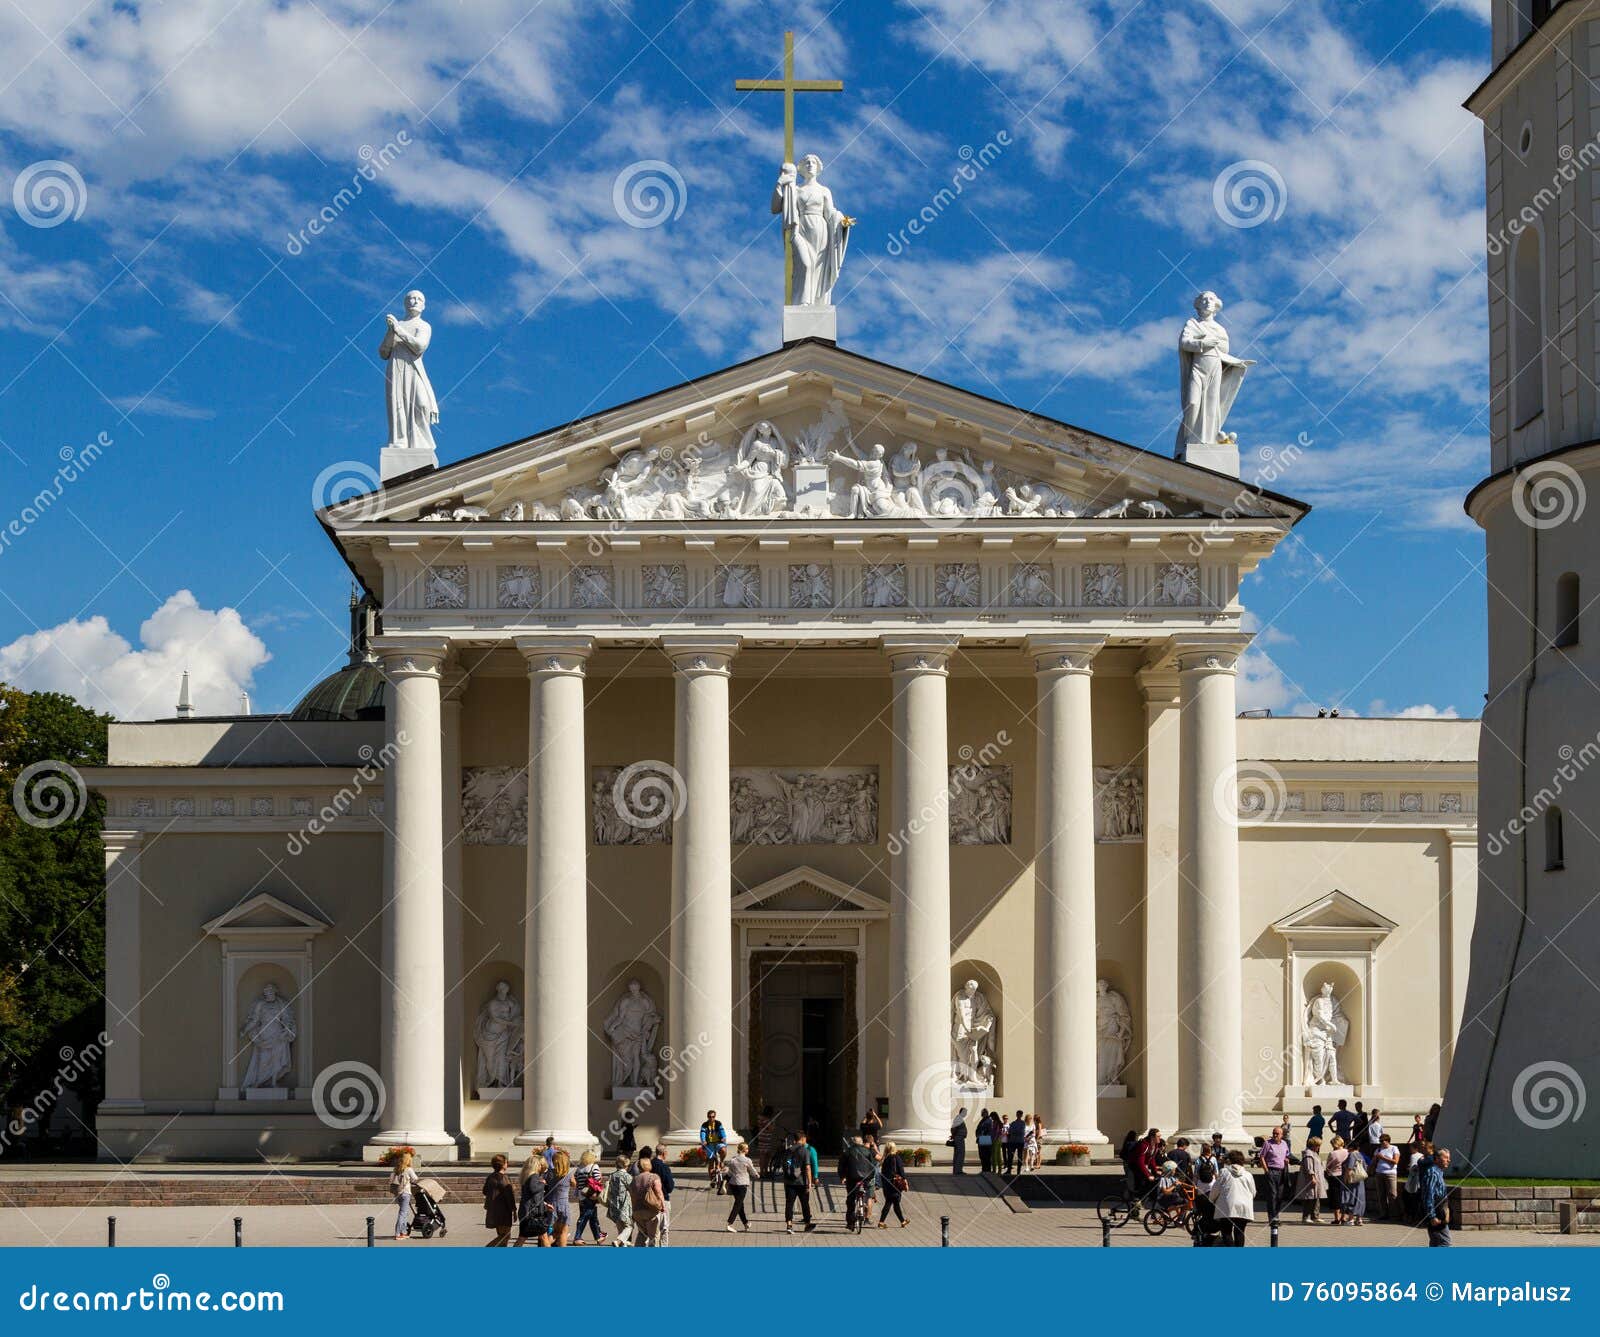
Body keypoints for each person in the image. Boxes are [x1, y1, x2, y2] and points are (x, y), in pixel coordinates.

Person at [1207, 1150, 1256, 1246]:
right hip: (1243, 1207)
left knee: (1226, 1231)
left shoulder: (1224, 1172)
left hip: (1227, 1207)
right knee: (1240, 1231)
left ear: (1230, 1160)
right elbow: (1253, 1192)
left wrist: (1211, 1199)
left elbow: (1216, 1189)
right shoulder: (1248, 1175)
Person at [782, 1131, 819, 1233]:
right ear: (802, 1139)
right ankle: (807, 1224)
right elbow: (807, 1167)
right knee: (804, 1203)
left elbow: (785, 1164)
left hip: (789, 1181)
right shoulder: (805, 1150)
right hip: (802, 1182)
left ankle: (789, 1225)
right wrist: (810, 1182)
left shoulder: (788, 1150)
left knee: (789, 1203)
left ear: (794, 1139)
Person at [840, 1135, 879, 1228]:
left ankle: (850, 1222)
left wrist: (842, 1176)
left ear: (852, 1143)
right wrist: (871, 1177)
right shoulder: (868, 1151)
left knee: (850, 1200)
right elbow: (873, 1164)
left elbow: (842, 1165)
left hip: (852, 1179)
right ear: (861, 1142)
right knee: (866, 1194)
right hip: (866, 1178)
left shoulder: (847, 1152)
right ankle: (865, 1209)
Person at [629, 1154, 666, 1247]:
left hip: (637, 1211)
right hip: (650, 1210)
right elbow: (659, 1192)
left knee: (642, 1234)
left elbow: (631, 1195)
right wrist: (663, 1205)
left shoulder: (634, 1179)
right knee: (654, 1236)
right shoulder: (654, 1177)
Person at [572, 1149, 608, 1244]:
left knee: (593, 1216)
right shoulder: (594, 1166)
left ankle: (598, 1236)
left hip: (581, 1195)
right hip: (591, 1195)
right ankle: (577, 1237)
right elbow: (597, 1180)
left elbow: (576, 1180)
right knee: (584, 1216)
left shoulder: (579, 1168)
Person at [1258, 1125, 1291, 1223]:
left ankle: (1276, 1215)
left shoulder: (1284, 1143)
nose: (1275, 1135)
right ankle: (1272, 1217)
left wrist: (1286, 1160)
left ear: (1282, 1135)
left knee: (1280, 1196)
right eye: (1274, 1133)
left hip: (1282, 1172)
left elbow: (1286, 1155)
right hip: (1271, 1171)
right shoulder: (1268, 1143)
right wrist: (1266, 1170)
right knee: (1272, 1195)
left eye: (1277, 1134)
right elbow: (1262, 1157)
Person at [1420, 1147, 1453, 1246]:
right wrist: (1432, 1216)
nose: (1449, 1160)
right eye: (1446, 1157)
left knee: (1435, 1243)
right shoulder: (1432, 1173)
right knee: (1445, 1243)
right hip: (1436, 1214)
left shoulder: (1439, 1172)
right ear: (1437, 1159)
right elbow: (1428, 1195)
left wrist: (1447, 1211)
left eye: (1449, 1158)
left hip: (1440, 1212)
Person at [482, 1153, 517, 1247]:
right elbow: (509, 1197)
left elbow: (485, 1191)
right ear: (503, 1165)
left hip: (493, 1209)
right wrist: (514, 1210)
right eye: (506, 1162)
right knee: (505, 1236)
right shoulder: (504, 1178)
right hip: (504, 1211)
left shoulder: (490, 1177)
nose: (507, 1164)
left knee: (501, 1236)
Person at [516, 1151, 547, 1246]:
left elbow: (532, 1195)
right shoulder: (534, 1176)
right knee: (543, 1237)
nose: (543, 1167)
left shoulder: (527, 1176)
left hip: (526, 1211)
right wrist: (543, 1183)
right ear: (537, 1165)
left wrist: (544, 1204)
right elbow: (533, 1189)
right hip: (532, 1213)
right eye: (541, 1165)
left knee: (522, 1237)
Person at [724, 1140, 756, 1232]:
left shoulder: (733, 1160)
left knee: (740, 1204)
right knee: (738, 1204)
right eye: (747, 1148)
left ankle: (746, 1223)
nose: (748, 1150)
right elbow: (752, 1170)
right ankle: (730, 1223)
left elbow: (729, 1173)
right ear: (743, 1150)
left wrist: (725, 1180)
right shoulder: (747, 1160)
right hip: (742, 1185)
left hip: (733, 1184)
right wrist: (757, 1175)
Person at [544, 1147, 573, 1246]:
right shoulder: (569, 1173)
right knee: (563, 1232)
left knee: (554, 1232)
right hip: (564, 1204)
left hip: (551, 1203)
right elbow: (574, 1184)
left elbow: (544, 1182)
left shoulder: (549, 1173)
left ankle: (546, 1245)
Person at [603, 1154, 634, 1246]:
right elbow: (632, 1189)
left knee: (620, 1226)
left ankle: (621, 1244)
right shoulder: (626, 1176)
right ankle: (619, 1240)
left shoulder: (612, 1175)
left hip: (614, 1203)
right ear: (626, 1165)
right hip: (624, 1203)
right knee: (629, 1226)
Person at [878, 1141, 910, 1227]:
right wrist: (905, 1180)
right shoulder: (896, 1157)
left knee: (893, 1203)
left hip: (887, 1184)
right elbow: (901, 1170)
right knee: (890, 1203)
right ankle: (881, 1222)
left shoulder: (885, 1158)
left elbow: (883, 1172)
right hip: (895, 1184)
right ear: (894, 1148)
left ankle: (902, 1221)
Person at [388, 1150, 418, 1241]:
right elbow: (415, 1179)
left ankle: (403, 1232)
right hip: (405, 1193)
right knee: (402, 1213)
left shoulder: (396, 1169)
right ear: (408, 1160)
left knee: (404, 1213)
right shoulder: (409, 1169)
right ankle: (398, 1234)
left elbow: (390, 1179)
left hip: (397, 1193)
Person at [1372, 1133, 1401, 1221]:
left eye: (1383, 1141)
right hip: (1379, 1173)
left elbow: (1395, 1161)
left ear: (1387, 1141)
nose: (1381, 1143)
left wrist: (1383, 1157)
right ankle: (1384, 1214)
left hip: (1390, 1173)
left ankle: (1395, 1214)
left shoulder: (1394, 1148)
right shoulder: (1378, 1149)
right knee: (1381, 1195)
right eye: (1380, 1141)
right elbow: (1373, 1162)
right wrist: (1375, 1159)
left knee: (1392, 1194)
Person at [1295, 1137, 1323, 1223]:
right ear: (1314, 1145)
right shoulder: (1308, 1154)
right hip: (1310, 1179)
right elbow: (1309, 1167)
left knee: (1316, 1197)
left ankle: (1315, 1216)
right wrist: (1312, 1177)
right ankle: (1306, 1217)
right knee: (1309, 1198)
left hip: (1317, 1179)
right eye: (1318, 1145)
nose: (1319, 1147)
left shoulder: (1314, 1153)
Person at [700, 1109, 728, 1192]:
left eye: (713, 1117)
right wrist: (703, 1140)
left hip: (718, 1142)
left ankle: (722, 1161)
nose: (711, 1118)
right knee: (711, 1162)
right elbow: (702, 1134)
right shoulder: (704, 1125)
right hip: (709, 1144)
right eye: (709, 1117)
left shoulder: (718, 1123)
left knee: (723, 1150)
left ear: (715, 1117)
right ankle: (712, 1180)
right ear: (707, 1117)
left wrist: (723, 1137)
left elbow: (722, 1132)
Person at [1324, 1136, 1349, 1225]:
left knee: (1335, 1197)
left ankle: (1337, 1218)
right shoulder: (1347, 1152)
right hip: (1344, 1176)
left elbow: (1328, 1166)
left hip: (1334, 1176)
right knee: (1344, 1196)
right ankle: (1344, 1217)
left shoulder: (1333, 1153)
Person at [1004, 1110, 1028, 1175]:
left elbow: (1020, 1131)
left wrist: (1014, 1131)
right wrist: (1014, 1132)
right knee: (1010, 1156)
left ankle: (1018, 1171)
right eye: (1017, 1114)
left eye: (1019, 1114)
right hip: (1013, 1141)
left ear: (1021, 1115)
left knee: (1020, 1156)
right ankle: (1009, 1170)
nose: (1018, 1115)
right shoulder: (1013, 1123)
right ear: (1016, 1115)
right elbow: (1010, 1131)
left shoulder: (1023, 1123)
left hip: (1020, 1142)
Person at [950, 1108, 969, 1176]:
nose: (966, 1114)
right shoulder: (959, 1118)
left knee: (958, 1154)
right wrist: (954, 1135)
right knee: (960, 1154)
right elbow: (953, 1128)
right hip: (959, 1138)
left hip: (959, 1138)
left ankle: (957, 1170)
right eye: (965, 1112)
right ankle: (958, 1170)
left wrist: (953, 1136)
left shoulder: (959, 1118)